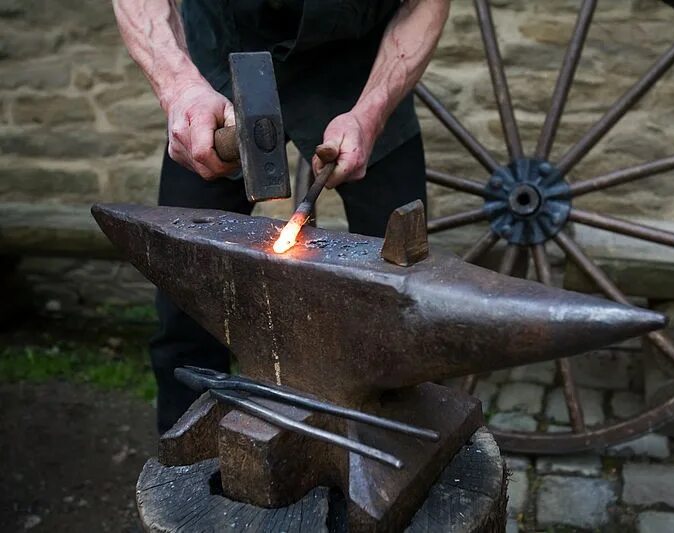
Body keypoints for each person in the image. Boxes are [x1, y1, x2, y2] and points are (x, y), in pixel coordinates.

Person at [111, 0, 450, 433]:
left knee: (407, 301)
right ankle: (186, 466)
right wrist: (179, 88)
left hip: (359, 67)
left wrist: (372, 113)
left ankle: (400, 454)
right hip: (220, 69)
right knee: (184, 304)